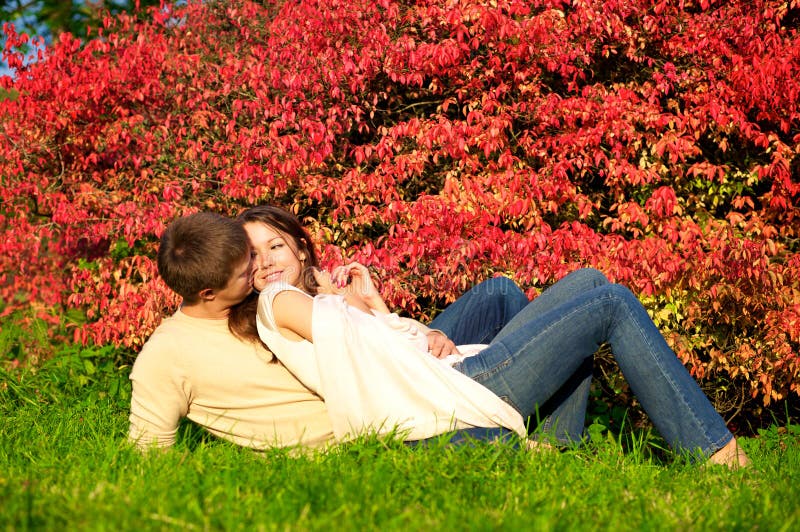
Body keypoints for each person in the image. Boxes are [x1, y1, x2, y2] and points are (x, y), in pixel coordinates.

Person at [236, 205, 750, 467]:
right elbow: (362, 353)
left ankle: (552, 450)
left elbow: (372, 348)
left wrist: (375, 308)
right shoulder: (277, 301)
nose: (265, 263)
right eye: (252, 256)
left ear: (301, 249)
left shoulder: (317, 300)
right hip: (457, 388)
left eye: (274, 247)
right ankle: (719, 455)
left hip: (449, 376)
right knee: (610, 303)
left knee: (590, 280)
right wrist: (352, 304)